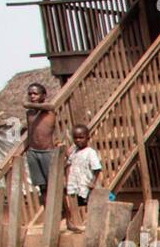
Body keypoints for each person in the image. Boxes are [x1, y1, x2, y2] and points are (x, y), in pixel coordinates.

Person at [22, 83, 58, 211]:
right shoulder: (30, 113)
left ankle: (68, 217)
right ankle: (49, 214)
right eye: (30, 94)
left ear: (43, 95)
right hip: (33, 152)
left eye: (35, 94)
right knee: (42, 187)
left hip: (47, 152)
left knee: (55, 186)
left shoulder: (49, 111)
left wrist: (29, 104)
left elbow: (51, 105)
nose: (32, 96)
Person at [63, 124, 102, 232]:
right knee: (78, 204)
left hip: (87, 183)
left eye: (81, 137)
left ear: (87, 138)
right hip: (76, 183)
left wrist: (93, 182)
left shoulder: (90, 152)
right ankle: (80, 224)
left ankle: (93, 226)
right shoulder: (74, 152)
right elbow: (68, 164)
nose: (78, 140)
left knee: (91, 203)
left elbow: (97, 168)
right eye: (75, 138)